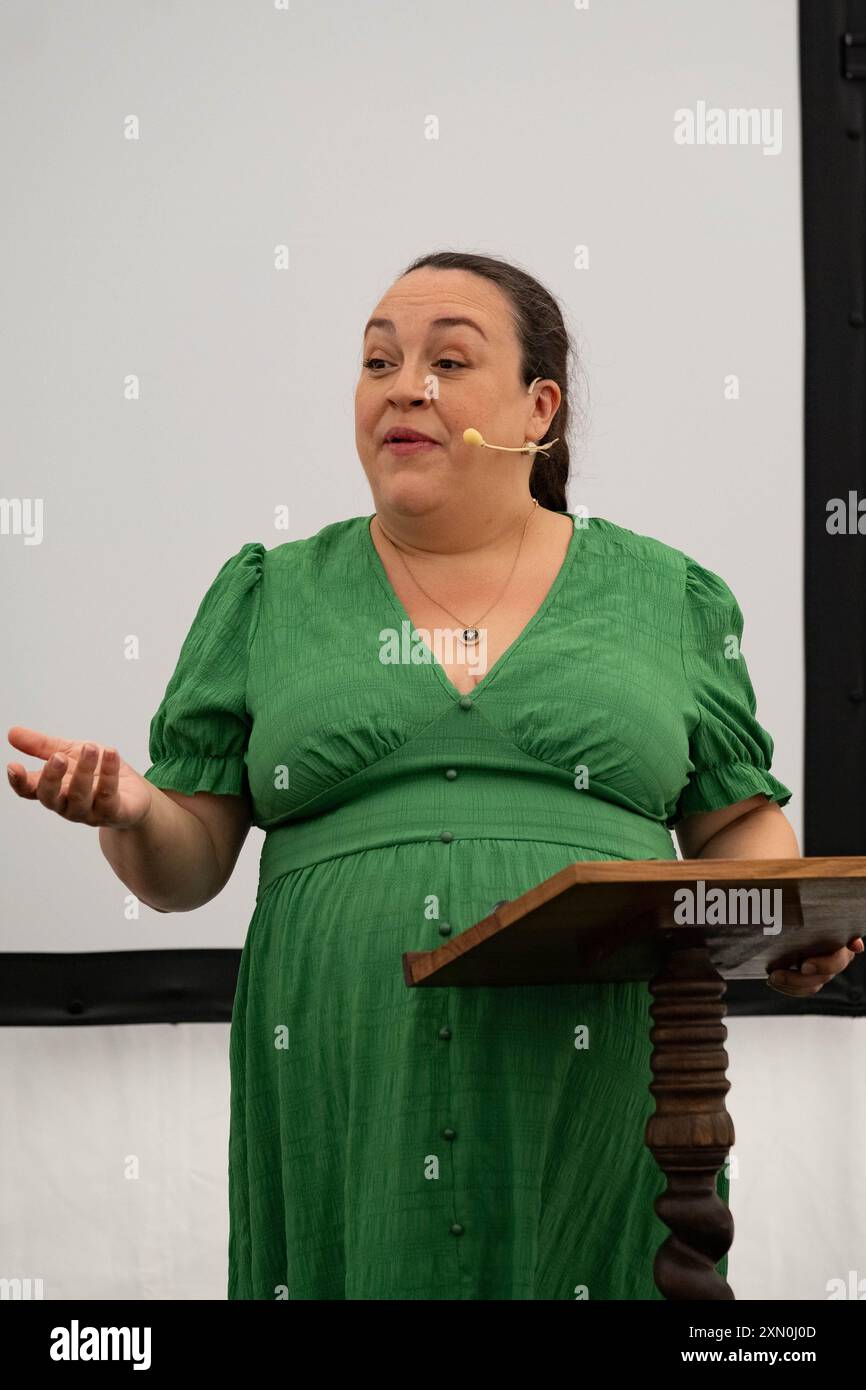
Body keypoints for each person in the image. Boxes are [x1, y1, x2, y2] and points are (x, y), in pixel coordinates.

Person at [7, 251, 863, 1301]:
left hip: (594, 1074)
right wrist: (135, 810)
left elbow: (737, 829)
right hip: (345, 1062)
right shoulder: (267, 595)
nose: (402, 385)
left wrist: (783, 925)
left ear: (536, 406)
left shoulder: (665, 595)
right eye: (377, 361)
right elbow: (182, 871)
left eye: (447, 360)